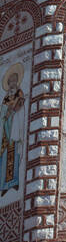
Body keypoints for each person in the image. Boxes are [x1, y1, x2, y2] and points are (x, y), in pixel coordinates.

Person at [0, 66, 25, 195]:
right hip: (6, 129)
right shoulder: (5, 97)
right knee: (4, 155)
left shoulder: (19, 93)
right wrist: (6, 113)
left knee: (14, 153)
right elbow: (3, 111)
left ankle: (14, 182)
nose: (13, 83)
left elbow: (21, 104)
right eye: (10, 81)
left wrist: (13, 111)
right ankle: (4, 185)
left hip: (15, 127)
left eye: (15, 80)